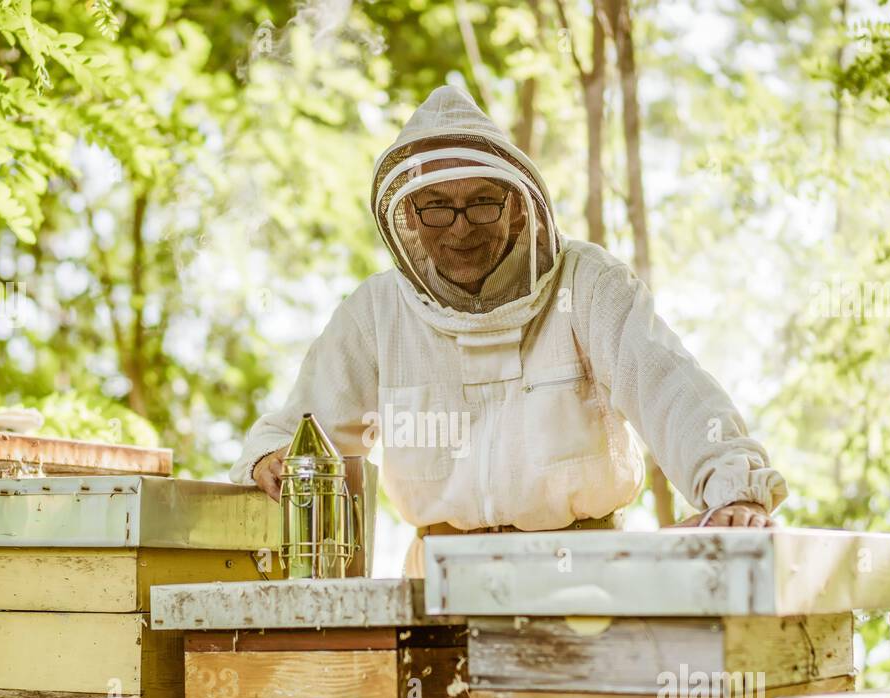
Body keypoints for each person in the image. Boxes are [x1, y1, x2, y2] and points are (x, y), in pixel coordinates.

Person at [230, 85, 788, 578]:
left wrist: (734, 491)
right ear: (410, 219)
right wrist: (270, 458)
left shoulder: (587, 284)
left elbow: (669, 387)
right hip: (433, 592)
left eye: (482, 203)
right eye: (436, 208)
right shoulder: (377, 312)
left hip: (584, 582)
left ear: (519, 210)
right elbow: (301, 432)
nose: (460, 226)